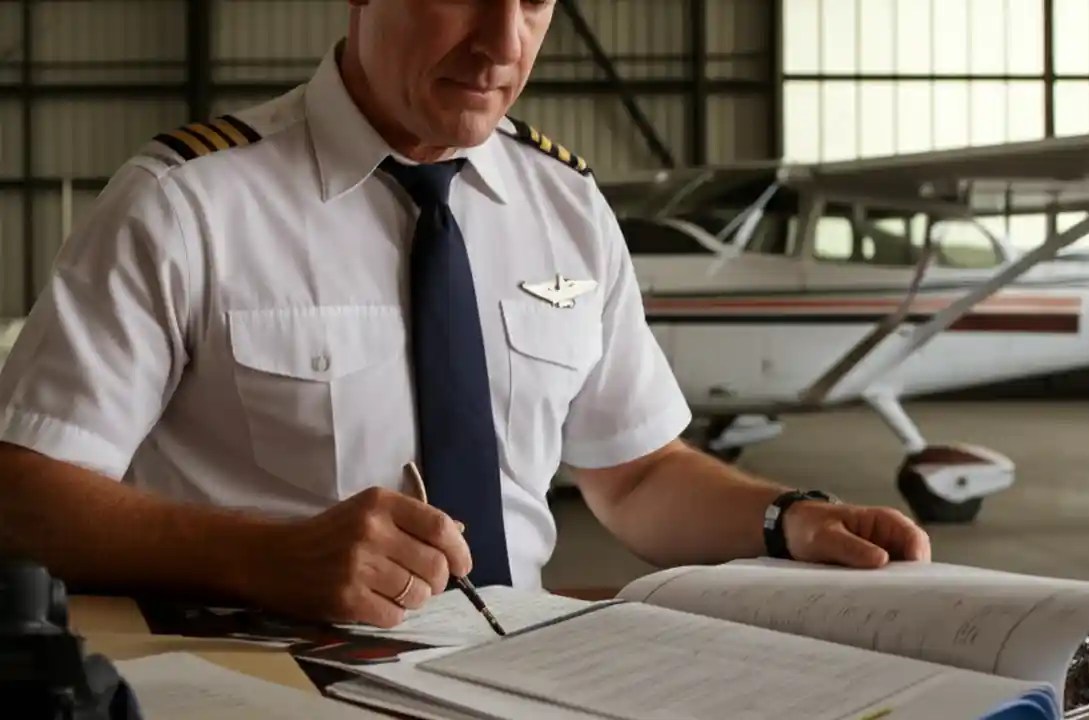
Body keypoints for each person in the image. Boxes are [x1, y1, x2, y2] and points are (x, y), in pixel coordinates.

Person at [0, 0, 929, 629]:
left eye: (533, 3)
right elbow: (23, 492)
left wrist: (788, 520)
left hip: (516, 670)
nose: (501, 43)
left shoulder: (566, 205)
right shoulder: (189, 203)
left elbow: (636, 474)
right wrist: (262, 558)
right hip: (265, 678)